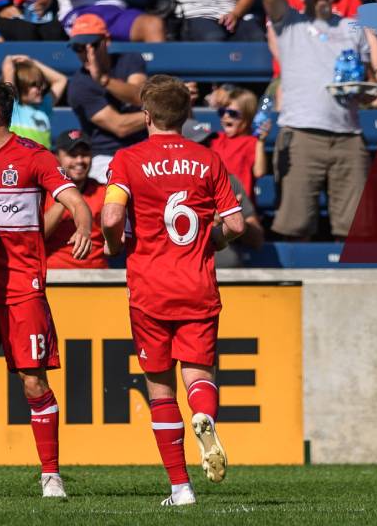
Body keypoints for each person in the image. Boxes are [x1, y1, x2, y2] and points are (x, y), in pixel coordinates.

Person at [100, 74, 245, 507]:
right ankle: (204, 414)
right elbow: (236, 224)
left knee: (160, 388)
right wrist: (213, 240)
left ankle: (181, 488)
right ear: (185, 116)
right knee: (198, 375)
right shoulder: (208, 158)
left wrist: (114, 245)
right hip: (198, 286)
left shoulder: (127, 159)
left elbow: (110, 218)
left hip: (150, 289)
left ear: (146, 115)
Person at [0, 79, 92, 498]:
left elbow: (74, 200)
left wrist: (83, 222)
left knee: (33, 383)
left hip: (22, 289)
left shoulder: (33, 157)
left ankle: (51, 474)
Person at [261, 0, 370, 240]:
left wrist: (368, 91)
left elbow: (362, 91)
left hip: (348, 135)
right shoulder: (290, 22)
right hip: (302, 134)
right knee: (294, 228)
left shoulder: (353, 27)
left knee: (353, 233)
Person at [64, 13, 147, 180]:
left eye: (92, 45)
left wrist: (104, 80)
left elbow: (141, 96)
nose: (87, 53)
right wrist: (163, 114)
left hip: (145, 149)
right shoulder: (79, 86)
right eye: (79, 47)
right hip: (108, 155)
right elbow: (120, 127)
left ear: (106, 41)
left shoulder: (130, 59)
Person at [44, 129, 106, 269]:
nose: (79, 160)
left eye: (84, 154)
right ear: (57, 157)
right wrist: (67, 196)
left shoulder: (104, 192)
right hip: (54, 275)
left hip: (98, 277)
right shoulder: (43, 193)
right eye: (72, 154)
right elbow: (35, 238)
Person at [208, 86, 265, 202]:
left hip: (240, 205)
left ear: (247, 117)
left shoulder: (252, 142)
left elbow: (259, 172)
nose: (225, 116)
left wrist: (261, 142)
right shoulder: (216, 138)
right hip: (216, 204)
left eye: (232, 113)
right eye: (222, 112)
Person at [1, 53, 65, 147]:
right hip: (20, 161)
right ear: (20, 87)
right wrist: (10, 59)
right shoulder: (13, 108)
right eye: (34, 85)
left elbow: (61, 80)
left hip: (43, 161)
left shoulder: (44, 107)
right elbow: (8, 72)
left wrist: (33, 62)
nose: (41, 88)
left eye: (40, 83)